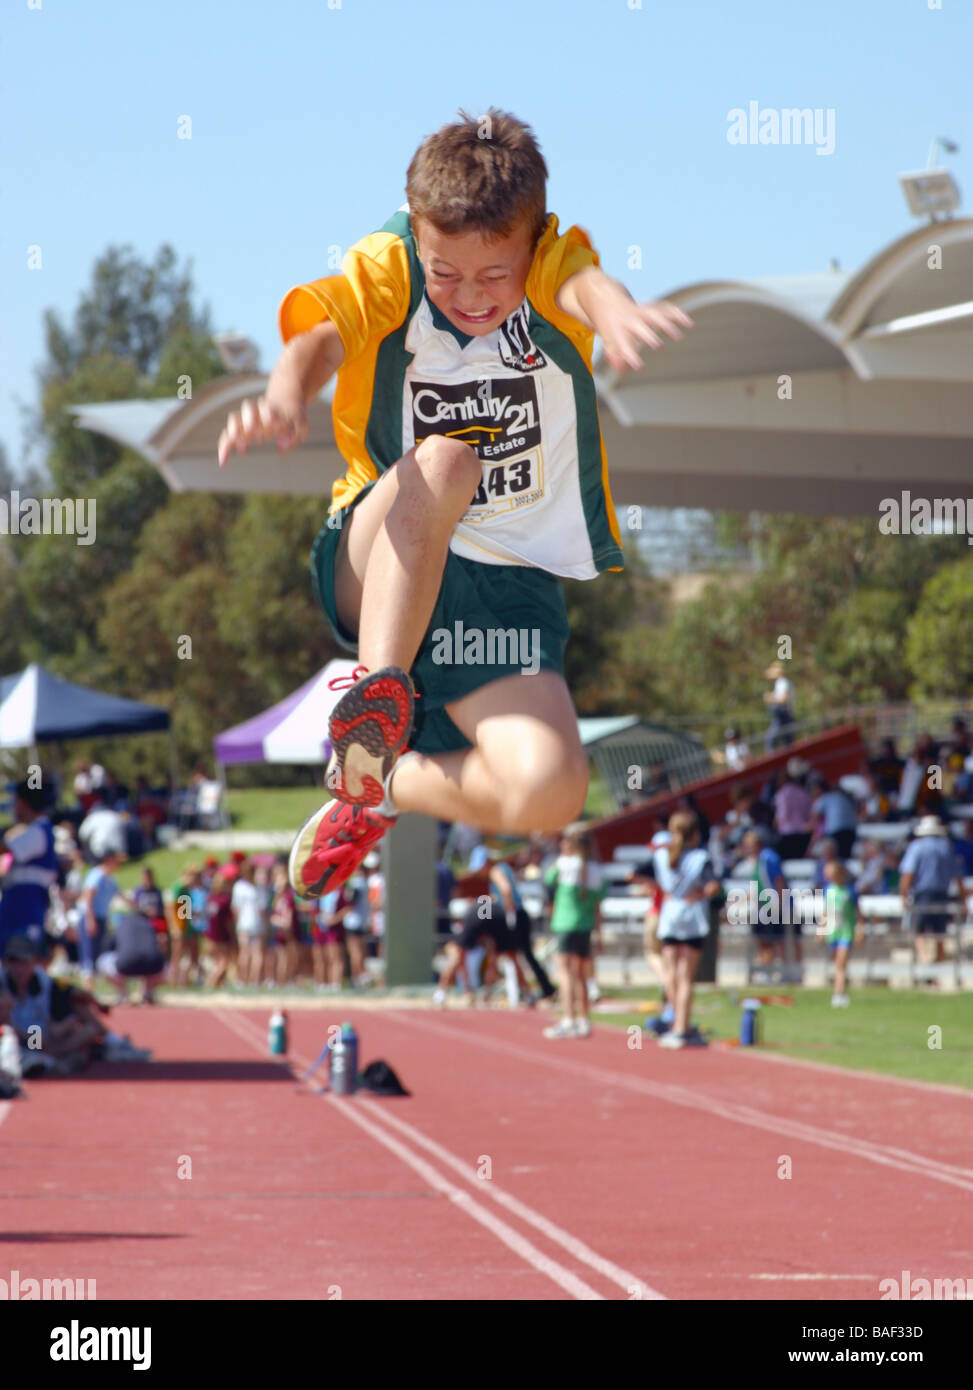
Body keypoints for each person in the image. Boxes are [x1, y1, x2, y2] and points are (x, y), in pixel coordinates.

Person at [217, 109, 691, 899]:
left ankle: (376, 778)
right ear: (416, 234)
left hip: (497, 591)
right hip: (381, 553)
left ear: (530, 245)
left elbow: (586, 282)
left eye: (493, 275)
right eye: (446, 273)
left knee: (550, 792)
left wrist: (616, 313)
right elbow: (323, 333)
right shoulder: (392, 264)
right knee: (445, 461)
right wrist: (283, 392)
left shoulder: (550, 263)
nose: (468, 296)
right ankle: (375, 695)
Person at [653, 812, 721, 1050]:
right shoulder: (700, 857)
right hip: (691, 917)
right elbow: (713, 886)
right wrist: (700, 894)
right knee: (685, 978)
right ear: (695, 833)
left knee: (671, 975)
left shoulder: (661, 855)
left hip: (669, 916)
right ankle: (682, 1027)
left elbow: (645, 876)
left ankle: (678, 1024)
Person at [541, 831, 604, 1039]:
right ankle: (584, 1020)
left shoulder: (564, 864)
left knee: (565, 973)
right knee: (580, 974)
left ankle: (568, 1019)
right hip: (585, 926)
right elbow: (598, 905)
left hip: (565, 925)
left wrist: (562, 856)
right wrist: (599, 933)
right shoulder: (596, 870)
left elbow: (548, 879)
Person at [0, 778, 59, 956]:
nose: (13, 807)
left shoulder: (39, 829)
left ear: (24, 804)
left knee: (19, 955)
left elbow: (4, 848)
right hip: (19, 903)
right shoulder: (34, 829)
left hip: (25, 905)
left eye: (15, 801)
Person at [899, 816, 963, 972]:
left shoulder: (917, 847)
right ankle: (937, 967)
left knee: (916, 930)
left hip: (922, 894)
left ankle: (926, 962)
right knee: (939, 933)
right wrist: (962, 897)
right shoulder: (946, 847)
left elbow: (908, 874)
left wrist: (903, 896)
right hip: (943, 893)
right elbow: (957, 876)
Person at [489, 855, 555, 1001]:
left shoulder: (495, 871)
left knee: (509, 955)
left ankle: (522, 992)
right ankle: (540, 989)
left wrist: (509, 914)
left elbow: (506, 891)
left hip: (514, 915)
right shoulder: (505, 868)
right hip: (519, 914)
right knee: (523, 955)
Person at [79, 851, 126, 983]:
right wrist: (90, 920)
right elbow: (87, 897)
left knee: (98, 955)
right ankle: (88, 989)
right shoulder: (97, 875)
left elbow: (121, 895)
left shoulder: (110, 878)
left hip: (102, 918)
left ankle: (93, 987)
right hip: (91, 917)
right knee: (88, 956)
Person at [821, 861, 861, 1008]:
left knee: (840, 964)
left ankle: (839, 994)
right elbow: (825, 912)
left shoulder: (849, 891)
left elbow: (858, 913)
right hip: (832, 932)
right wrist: (821, 929)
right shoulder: (828, 890)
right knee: (837, 964)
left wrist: (859, 931)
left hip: (846, 931)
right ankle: (841, 989)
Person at [231, 860, 268, 987]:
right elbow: (262, 909)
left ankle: (243, 979)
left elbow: (236, 908)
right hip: (257, 921)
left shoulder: (238, 886)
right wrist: (266, 924)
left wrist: (236, 923)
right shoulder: (259, 888)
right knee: (257, 953)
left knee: (244, 952)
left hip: (243, 921)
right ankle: (254, 980)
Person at [774, 758, 814, 860]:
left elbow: (782, 816)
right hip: (803, 836)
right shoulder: (804, 793)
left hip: (787, 836)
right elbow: (809, 816)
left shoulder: (782, 794)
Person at [810, 778, 859, 860]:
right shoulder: (845, 797)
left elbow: (814, 818)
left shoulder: (825, 798)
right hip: (851, 832)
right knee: (845, 859)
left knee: (834, 859)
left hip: (836, 832)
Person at [203, 871, 235, 988]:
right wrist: (232, 936)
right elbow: (228, 921)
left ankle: (218, 984)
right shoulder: (224, 900)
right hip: (221, 934)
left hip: (211, 933)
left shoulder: (210, 898)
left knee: (218, 961)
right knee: (223, 962)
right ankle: (211, 983)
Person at [763, 661, 794, 751]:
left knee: (770, 740)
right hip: (783, 715)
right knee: (787, 742)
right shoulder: (782, 683)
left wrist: (770, 698)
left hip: (783, 716)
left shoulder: (783, 682)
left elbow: (784, 699)